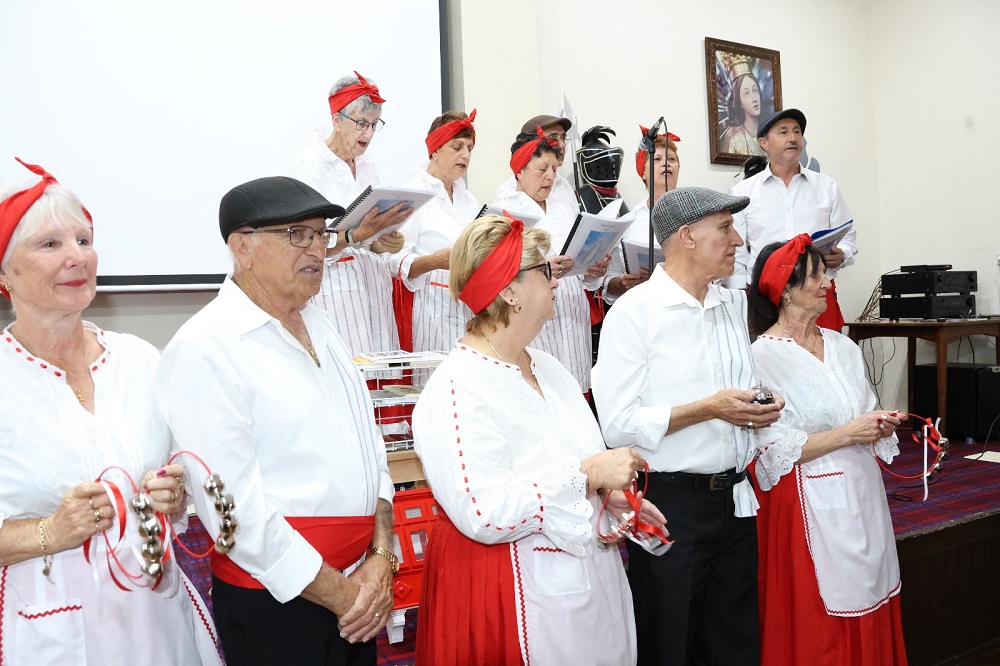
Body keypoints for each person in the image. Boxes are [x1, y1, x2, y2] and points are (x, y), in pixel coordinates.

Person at [154, 176, 397, 665]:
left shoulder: (323, 325)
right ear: (242, 248)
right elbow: (236, 516)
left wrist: (380, 559)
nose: (316, 249)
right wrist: (346, 596)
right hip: (279, 603)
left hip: (358, 586)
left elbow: (371, 447)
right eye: (295, 234)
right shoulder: (205, 347)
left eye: (321, 234)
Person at [412, 213, 667, 664]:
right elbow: (485, 512)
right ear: (509, 291)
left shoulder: (550, 368)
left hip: (586, 588)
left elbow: (577, 460)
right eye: (544, 271)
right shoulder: (456, 387)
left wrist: (609, 496)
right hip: (517, 597)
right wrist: (588, 475)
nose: (555, 280)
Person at [0, 158, 221, 665]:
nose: (77, 257)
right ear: (5, 273)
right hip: (49, 629)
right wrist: (50, 532)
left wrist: (175, 491)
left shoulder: (139, 359)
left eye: (83, 239)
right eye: (50, 244)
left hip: (155, 617)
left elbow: (182, 472)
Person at [593, 187, 785, 665]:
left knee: (734, 644)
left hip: (734, 502)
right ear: (687, 237)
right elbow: (617, 426)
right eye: (724, 227)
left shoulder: (729, 306)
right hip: (671, 504)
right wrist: (710, 408)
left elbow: (734, 390)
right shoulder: (635, 313)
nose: (738, 240)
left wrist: (759, 403)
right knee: (669, 644)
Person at [747, 235, 908, 665]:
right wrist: (848, 434)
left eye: (825, 272)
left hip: (862, 493)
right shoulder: (760, 357)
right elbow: (770, 449)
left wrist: (879, 424)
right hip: (805, 505)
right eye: (815, 274)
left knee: (870, 586)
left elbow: (865, 410)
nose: (826, 282)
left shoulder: (843, 346)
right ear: (785, 288)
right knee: (821, 616)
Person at [290, 71, 412, 357]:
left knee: (379, 382)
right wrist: (356, 235)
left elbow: (371, 239)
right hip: (335, 290)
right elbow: (305, 241)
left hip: (374, 288)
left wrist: (385, 240)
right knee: (345, 379)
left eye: (373, 125)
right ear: (336, 120)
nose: (368, 134)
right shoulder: (309, 167)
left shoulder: (368, 166)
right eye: (360, 124)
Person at [493, 129, 608, 394]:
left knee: (576, 388)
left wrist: (593, 270)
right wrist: (543, 268)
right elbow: (499, 273)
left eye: (555, 169)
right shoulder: (505, 210)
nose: (550, 177)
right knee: (541, 388)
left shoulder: (563, 205)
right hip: (533, 316)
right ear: (520, 170)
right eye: (542, 169)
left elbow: (581, 270)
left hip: (572, 311)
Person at [728, 108, 857, 330]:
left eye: (797, 132)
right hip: (765, 296)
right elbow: (736, 252)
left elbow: (849, 236)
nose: (793, 138)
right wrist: (739, 301)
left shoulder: (826, 187)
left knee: (823, 359)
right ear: (763, 143)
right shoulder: (743, 191)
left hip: (816, 291)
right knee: (767, 361)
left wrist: (842, 253)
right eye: (783, 132)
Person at [389, 110, 480, 364]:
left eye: (470, 148)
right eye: (457, 146)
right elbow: (390, 261)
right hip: (428, 312)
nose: (466, 155)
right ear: (435, 150)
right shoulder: (413, 194)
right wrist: (434, 261)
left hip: (469, 310)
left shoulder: (469, 200)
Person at [604, 127, 682, 302]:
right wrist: (622, 283)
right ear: (643, 173)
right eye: (657, 159)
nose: (666, 164)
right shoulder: (629, 222)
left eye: (671, 159)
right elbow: (610, 279)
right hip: (642, 310)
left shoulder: (697, 216)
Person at [495, 113, 580, 212]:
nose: (561, 145)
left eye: (563, 138)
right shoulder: (507, 193)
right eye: (553, 138)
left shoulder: (564, 186)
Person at [719, 56, 766, 157]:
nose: (754, 98)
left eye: (755, 90)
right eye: (746, 94)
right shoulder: (734, 136)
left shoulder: (770, 137)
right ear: (739, 102)